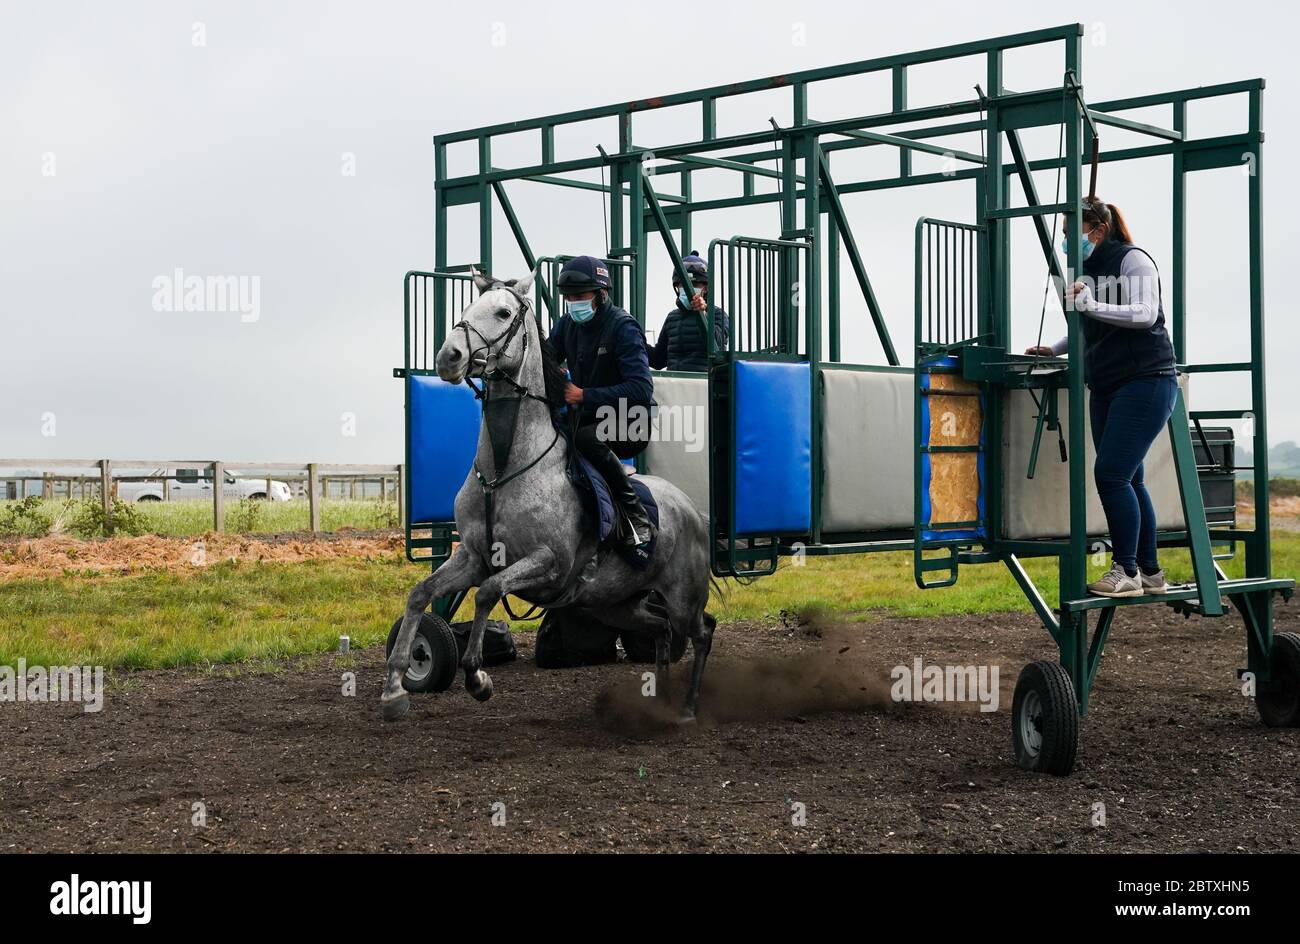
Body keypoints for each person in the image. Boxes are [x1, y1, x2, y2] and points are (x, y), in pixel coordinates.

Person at [1025, 196, 1178, 598]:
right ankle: (1150, 572)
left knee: (1110, 474)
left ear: (1097, 228)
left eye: (1070, 233)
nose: (1065, 241)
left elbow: (1145, 313)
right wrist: (1056, 349)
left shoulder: (1133, 260)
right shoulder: (1085, 269)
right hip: (1107, 384)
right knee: (1130, 477)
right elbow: (1091, 323)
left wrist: (1091, 303)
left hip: (1146, 379)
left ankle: (1124, 570)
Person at [546, 255, 656, 548]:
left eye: (579, 296)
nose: (573, 302)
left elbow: (641, 389)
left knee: (584, 438)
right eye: (568, 297)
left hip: (631, 422)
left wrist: (584, 395)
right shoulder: (567, 324)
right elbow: (545, 360)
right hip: (587, 419)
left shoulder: (623, 327)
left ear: (600, 293)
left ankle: (635, 513)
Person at [646, 252, 729, 371]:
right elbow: (658, 360)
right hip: (675, 385)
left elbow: (717, 346)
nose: (688, 288)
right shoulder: (672, 317)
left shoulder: (718, 315)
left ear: (705, 288)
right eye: (683, 284)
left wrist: (703, 314)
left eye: (695, 284)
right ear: (677, 287)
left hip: (703, 384)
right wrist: (638, 341)